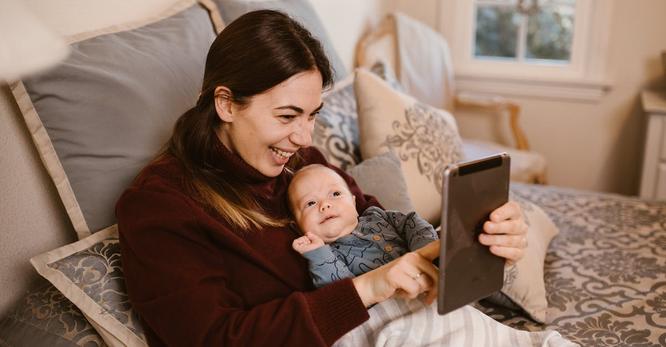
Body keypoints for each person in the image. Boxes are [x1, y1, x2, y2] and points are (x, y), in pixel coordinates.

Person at [116, 9, 529, 347]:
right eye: (287, 116)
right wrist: (368, 288)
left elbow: (379, 233)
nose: (303, 137)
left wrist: (473, 244)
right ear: (226, 104)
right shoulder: (161, 207)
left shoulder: (301, 163)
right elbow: (215, 339)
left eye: (312, 115)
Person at [288, 164, 438, 288]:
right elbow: (343, 293)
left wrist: (425, 253)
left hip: (429, 277)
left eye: (335, 194)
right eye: (310, 203)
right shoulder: (327, 256)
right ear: (298, 226)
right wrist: (318, 253)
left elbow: (412, 223)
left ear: (353, 203)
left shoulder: (377, 216)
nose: (325, 205)